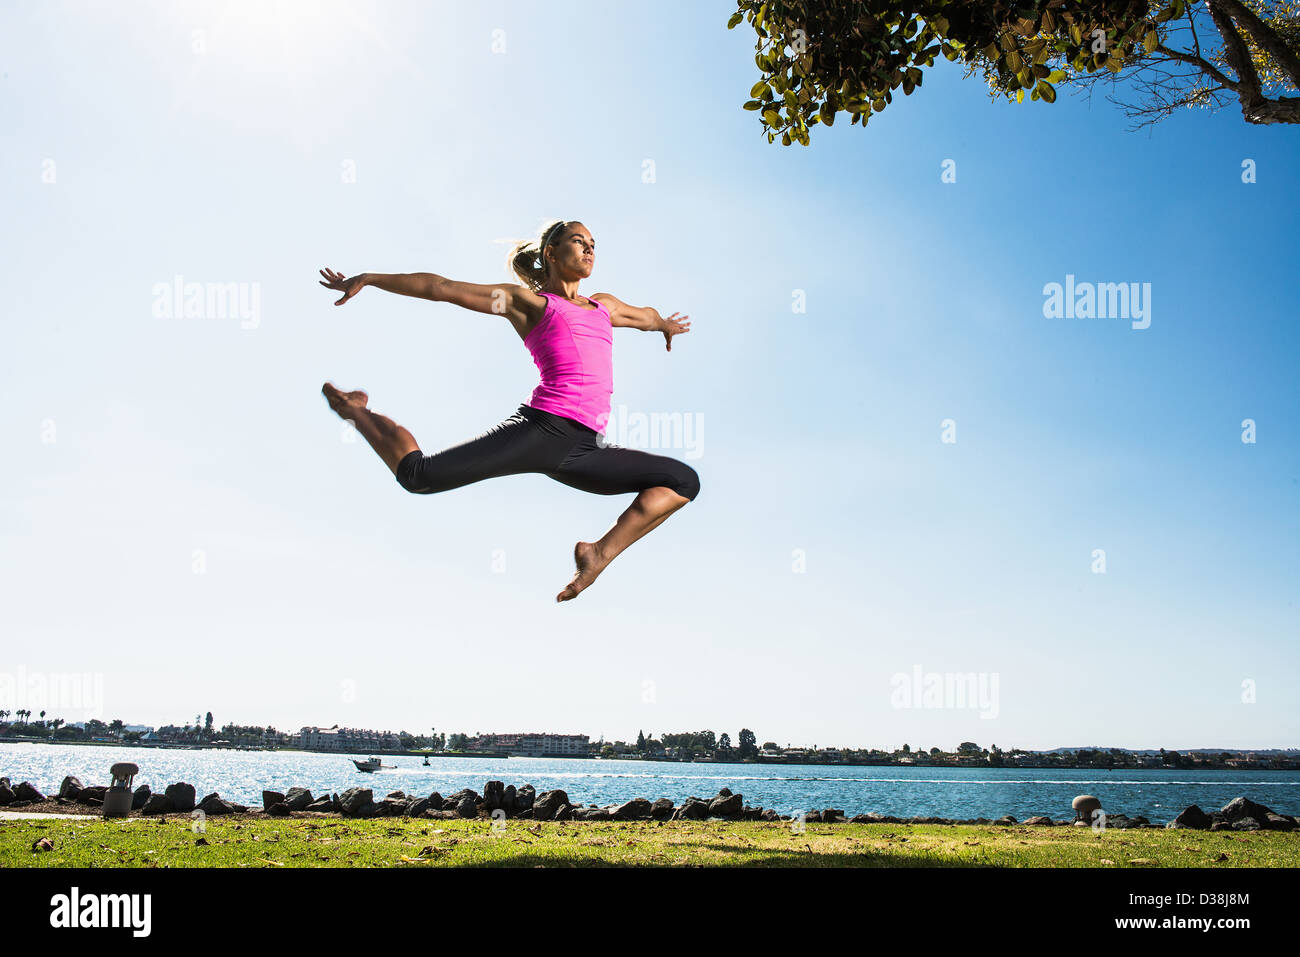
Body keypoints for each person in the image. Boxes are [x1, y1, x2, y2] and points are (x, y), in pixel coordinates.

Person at [318, 219, 699, 602]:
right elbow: (442, 288)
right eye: (578, 242)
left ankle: (597, 553)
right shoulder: (527, 304)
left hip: (584, 449)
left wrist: (664, 325)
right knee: (419, 476)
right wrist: (370, 278)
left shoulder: (605, 308)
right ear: (551, 253)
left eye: (593, 244)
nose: (589, 250)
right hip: (540, 431)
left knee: (683, 482)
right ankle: (355, 410)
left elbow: (644, 316)